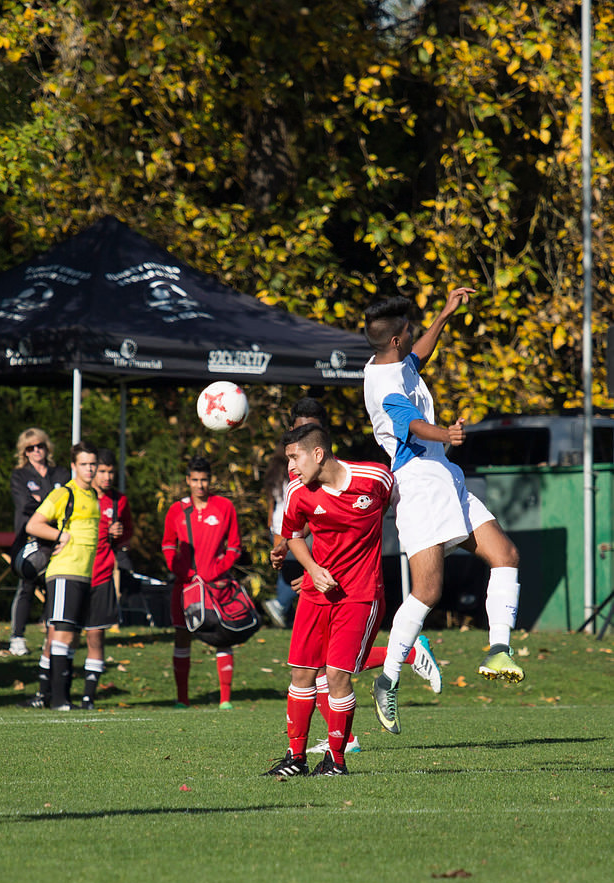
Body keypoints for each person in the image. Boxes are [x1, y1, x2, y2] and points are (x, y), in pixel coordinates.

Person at [363, 287, 522, 734]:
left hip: (443, 474)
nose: (414, 336)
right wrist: (444, 434)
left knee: (505, 555)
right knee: (429, 591)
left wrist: (446, 315)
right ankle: (388, 678)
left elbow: (419, 355)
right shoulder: (385, 383)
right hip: (418, 484)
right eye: (408, 331)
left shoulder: (392, 360)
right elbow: (408, 422)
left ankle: (498, 649)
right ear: (395, 340)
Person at [264, 423, 394, 776]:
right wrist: (311, 568)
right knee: (302, 673)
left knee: (337, 676)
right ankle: (296, 758)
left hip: (360, 595)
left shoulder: (376, 478)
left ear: (318, 454)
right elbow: (292, 534)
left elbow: (397, 505)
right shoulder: (298, 491)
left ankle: (336, 760)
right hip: (315, 594)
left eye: (295, 457)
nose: (291, 467)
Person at [23, 442, 103, 711]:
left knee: (73, 638)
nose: (89, 469)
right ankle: (59, 701)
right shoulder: (64, 494)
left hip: (85, 575)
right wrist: (61, 535)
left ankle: (63, 698)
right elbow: (33, 524)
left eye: (93, 463)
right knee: (61, 636)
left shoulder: (93, 496)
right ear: (74, 466)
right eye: (84, 464)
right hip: (65, 571)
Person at [163, 457, 242, 709]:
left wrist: (218, 570)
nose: (200, 485)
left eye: (204, 479)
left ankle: (225, 700)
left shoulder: (224, 506)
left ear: (210, 480)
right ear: (187, 480)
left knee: (222, 637)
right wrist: (180, 571)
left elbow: (235, 546)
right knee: (182, 636)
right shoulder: (177, 509)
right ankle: (182, 698)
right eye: (195, 480)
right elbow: (167, 544)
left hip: (216, 585)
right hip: (185, 587)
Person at [7, 427, 69, 656]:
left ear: (47, 447)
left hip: (56, 536)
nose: (36, 451)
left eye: (39, 446)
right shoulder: (19, 475)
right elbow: (25, 505)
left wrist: (41, 501)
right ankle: (17, 637)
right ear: (24, 452)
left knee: (55, 585)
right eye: (30, 448)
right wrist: (51, 501)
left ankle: (51, 636)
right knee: (27, 585)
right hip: (29, 538)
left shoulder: (60, 473)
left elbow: (66, 502)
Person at [81, 448, 133, 708]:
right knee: (60, 635)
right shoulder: (79, 496)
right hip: (75, 573)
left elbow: (127, 536)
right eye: (102, 471)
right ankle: (54, 693)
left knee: (95, 636)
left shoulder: (118, 501)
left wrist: (118, 534)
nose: (106, 476)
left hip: (102, 574)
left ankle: (88, 695)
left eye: (110, 471)